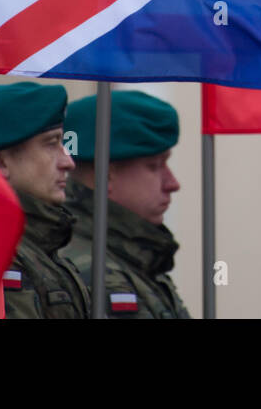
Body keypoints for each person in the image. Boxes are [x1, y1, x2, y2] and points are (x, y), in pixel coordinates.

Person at [61, 90, 192, 319]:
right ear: (107, 174)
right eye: (154, 166)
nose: (173, 183)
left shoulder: (137, 258)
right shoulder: (80, 268)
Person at [0, 81, 91, 319]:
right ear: (1, 161)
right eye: (51, 144)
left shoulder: (44, 250)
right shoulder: (0, 256)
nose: (68, 162)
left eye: (63, 143)